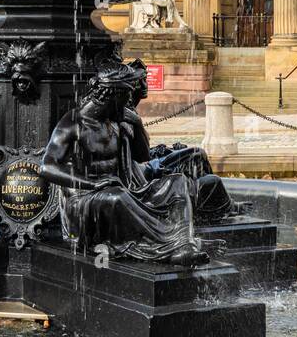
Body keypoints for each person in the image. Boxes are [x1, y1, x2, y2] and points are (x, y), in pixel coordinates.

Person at [41, 66, 207, 265]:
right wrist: (92, 184)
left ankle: (184, 243)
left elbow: (142, 155)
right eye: (125, 98)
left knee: (177, 182)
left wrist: (136, 124)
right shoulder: (73, 123)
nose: (128, 103)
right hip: (85, 199)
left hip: (122, 188)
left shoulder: (116, 121)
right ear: (113, 96)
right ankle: (169, 245)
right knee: (117, 198)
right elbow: (47, 167)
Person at [123, 60, 232, 219]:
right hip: (146, 170)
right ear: (131, 86)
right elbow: (140, 156)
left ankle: (211, 201)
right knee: (196, 154)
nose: (146, 84)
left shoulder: (128, 109)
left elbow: (139, 151)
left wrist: (160, 150)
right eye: (141, 81)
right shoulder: (125, 114)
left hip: (145, 166)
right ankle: (212, 203)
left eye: (146, 79)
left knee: (196, 154)